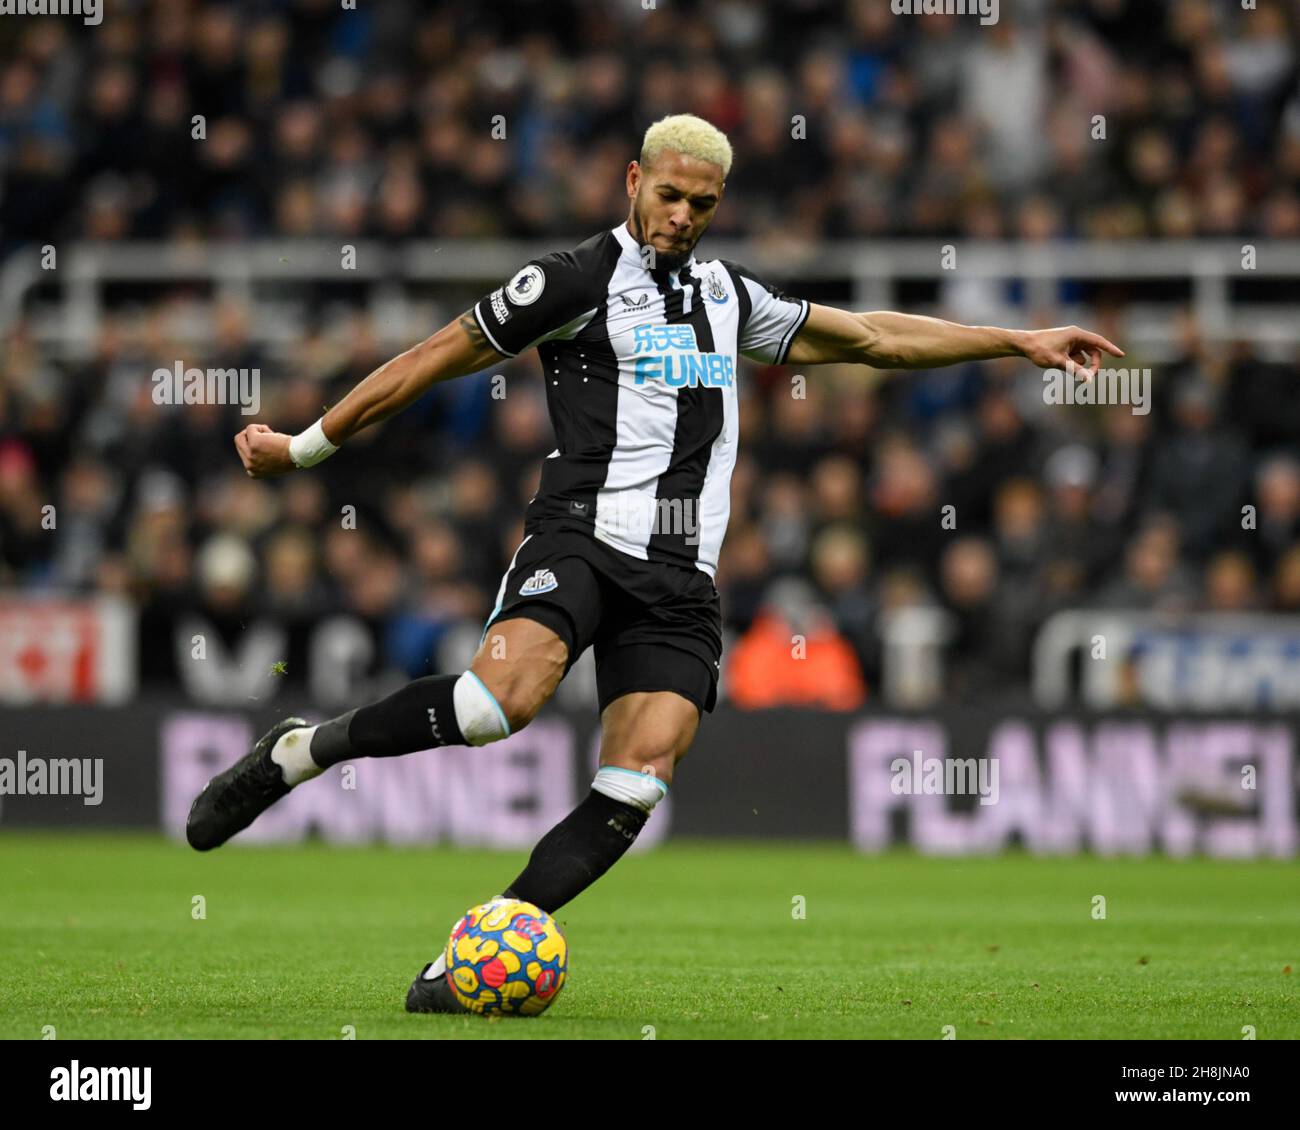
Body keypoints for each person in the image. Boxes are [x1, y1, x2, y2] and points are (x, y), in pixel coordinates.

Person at [185, 113, 1122, 1013]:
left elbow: (874, 339)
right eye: (668, 195)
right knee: (488, 709)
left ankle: (473, 951)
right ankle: (301, 751)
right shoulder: (571, 281)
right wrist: (306, 446)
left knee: (637, 779)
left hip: (680, 580)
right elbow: (434, 356)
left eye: (702, 204)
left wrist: (1017, 342)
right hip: (583, 539)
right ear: (633, 181)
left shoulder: (730, 297)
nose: (682, 216)